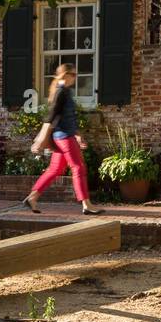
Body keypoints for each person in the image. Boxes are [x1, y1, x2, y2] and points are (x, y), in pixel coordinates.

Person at [24, 64, 102, 214]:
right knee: (78, 167)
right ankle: (86, 204)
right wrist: (41, 139)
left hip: (64, 135)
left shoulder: (65, 92)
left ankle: (32, 198)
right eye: (74, 74)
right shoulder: (62, 92)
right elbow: (51, 116)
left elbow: (68, 117)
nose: (76, 77)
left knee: (55, 169)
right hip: (64, 137)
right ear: (65, 75)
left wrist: (78, 135)